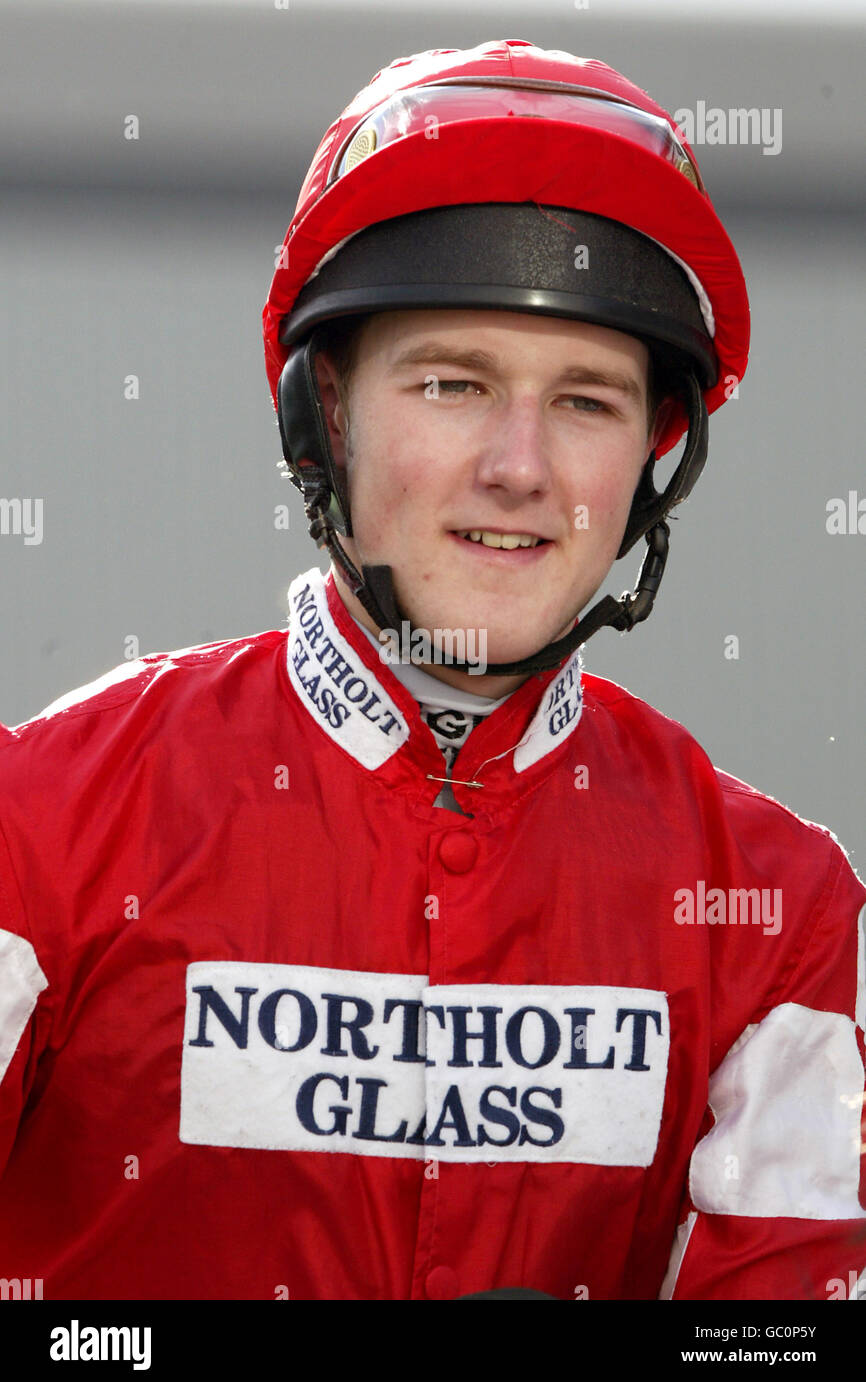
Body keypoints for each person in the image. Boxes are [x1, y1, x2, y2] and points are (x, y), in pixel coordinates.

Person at [0, 38, 863, 1303]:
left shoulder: (779, 910)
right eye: (453, 382)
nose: (519, 467)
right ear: (326, 418)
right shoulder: (41, 822)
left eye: (584, 400)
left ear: (647, 462)